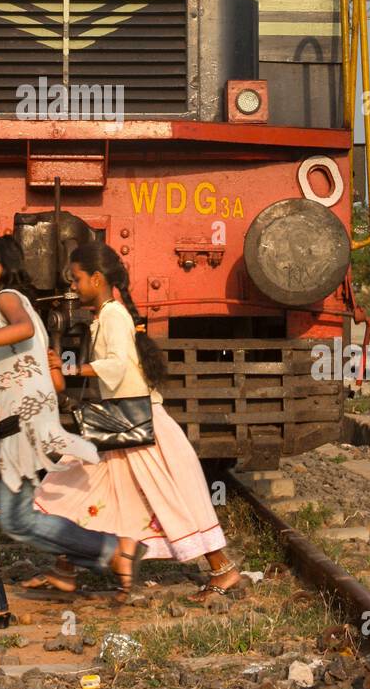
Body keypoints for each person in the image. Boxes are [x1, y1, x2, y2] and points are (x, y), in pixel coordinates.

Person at [0, 236, 147, 627]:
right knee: (19, 521)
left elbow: (23, 328)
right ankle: (109, 550)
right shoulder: (12, 301)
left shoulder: (8, 298)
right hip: (25, 423)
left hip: (20, 428)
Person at [25, 242, 242, 602]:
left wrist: (70, 368)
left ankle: (223, 569)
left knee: (164, 497)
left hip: (136, 426)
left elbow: (119, 364)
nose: (73, 287)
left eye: (77, 280)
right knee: (83, 487)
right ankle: (64, 568)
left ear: (97, 279)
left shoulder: (113, 316)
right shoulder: (109, 314)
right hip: (123, 423)